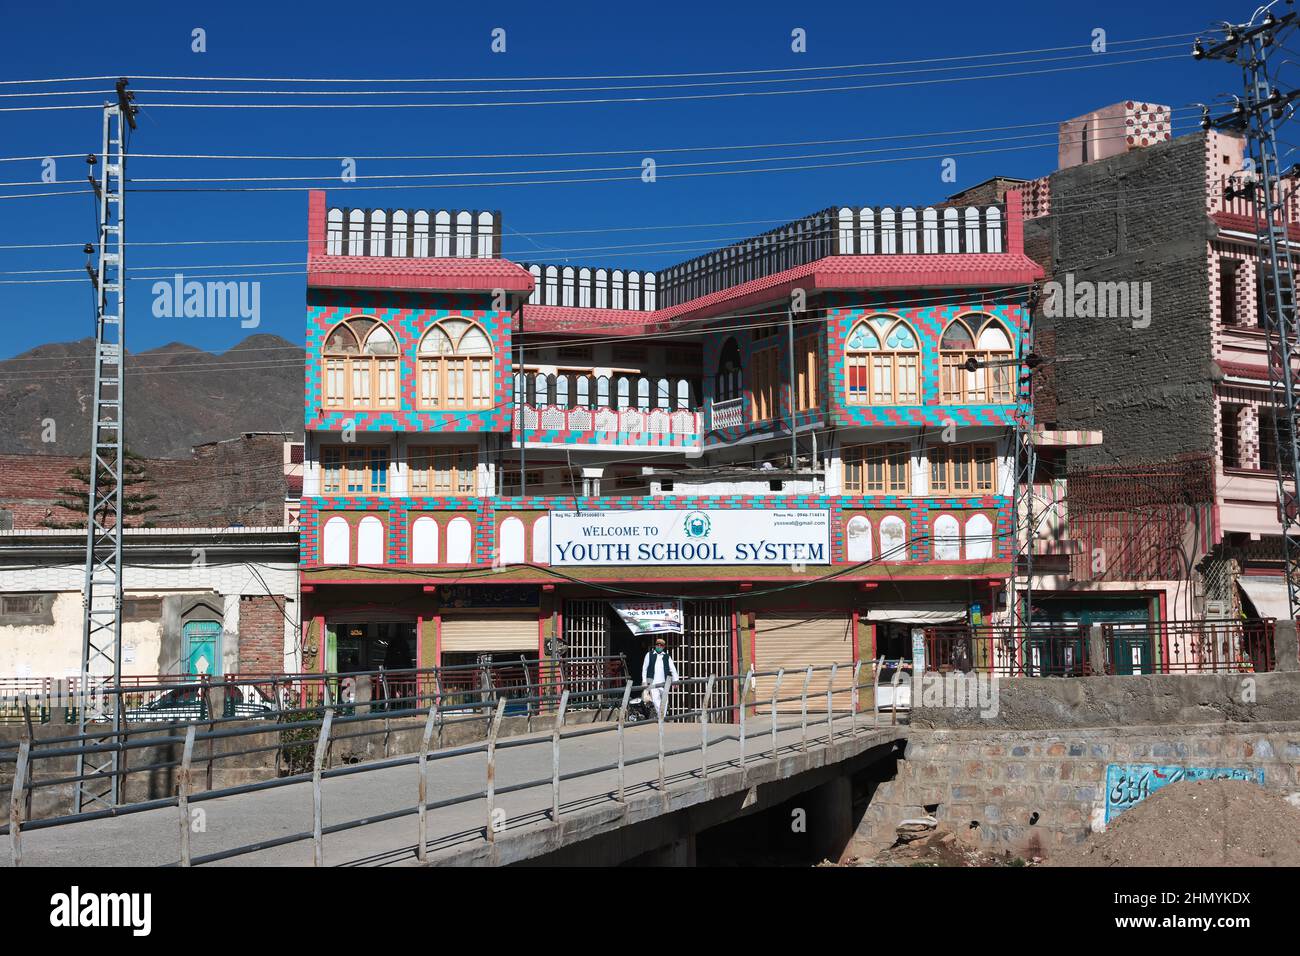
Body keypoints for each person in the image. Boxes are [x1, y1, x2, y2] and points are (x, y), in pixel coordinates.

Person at [641, 636, 679, 719]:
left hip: (664, 683)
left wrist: (676, 680)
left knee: (665, 701)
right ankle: (661, 718)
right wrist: (644, 681)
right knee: (655, 700)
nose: (659, 646)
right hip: (652, 682)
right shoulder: (649, 655)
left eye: (661, 645)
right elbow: (644, 669)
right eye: (658, 645)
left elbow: (673, 669)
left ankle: (662, 717)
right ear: (655, 646)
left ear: (663, 647)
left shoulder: (667, 656)